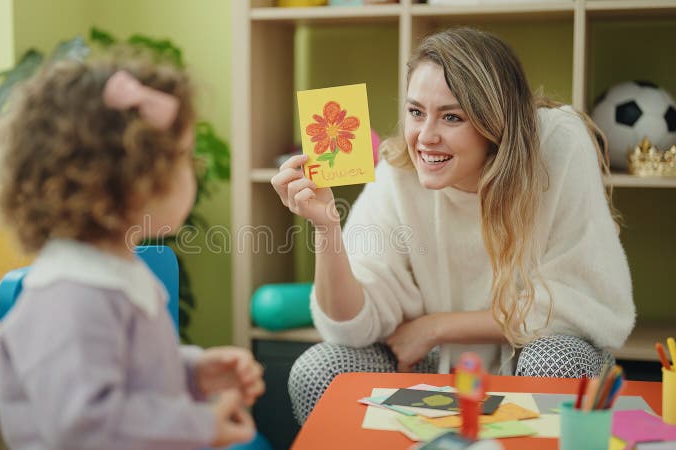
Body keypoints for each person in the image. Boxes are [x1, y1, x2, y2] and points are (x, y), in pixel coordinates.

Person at [272, 27, 635, 424]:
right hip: (433, 368)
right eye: (415, 112)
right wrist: (327, 228)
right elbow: (351, 328)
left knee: (556, 359)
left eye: (451, 116)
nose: (425, 137)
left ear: (495, 121)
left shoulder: (559, 144)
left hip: (528, 356)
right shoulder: (399, 171)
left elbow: (583, 304)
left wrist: (436, 327)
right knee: (318, 369)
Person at [0, 50, 265, 449]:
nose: (196, 170)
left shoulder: (111, 271)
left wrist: (193, 372)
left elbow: (128, 373)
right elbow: (87, 424)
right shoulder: (71, 296)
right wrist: (199, 425)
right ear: (137, 178)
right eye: (186, 157)